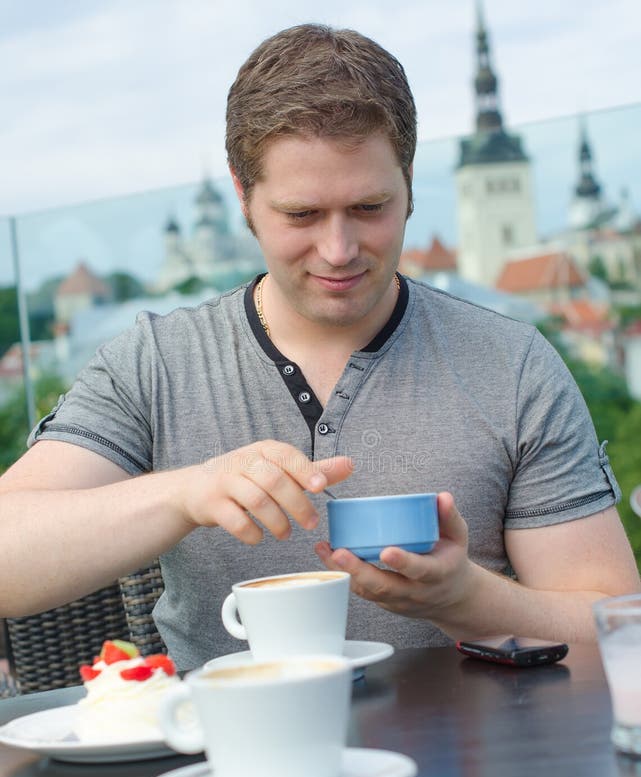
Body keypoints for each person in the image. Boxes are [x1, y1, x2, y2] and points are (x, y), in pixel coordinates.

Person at [0, 24, 638, 671]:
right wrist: (184, 493)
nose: (338, 250)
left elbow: (618, 621)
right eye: (301, 215)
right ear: (243, 196)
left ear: (410, 183)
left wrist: (464, 596)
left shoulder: (511, 364)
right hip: (228, 759)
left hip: (479, 761)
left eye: (368, 206)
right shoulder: (155, 363)